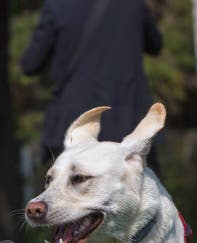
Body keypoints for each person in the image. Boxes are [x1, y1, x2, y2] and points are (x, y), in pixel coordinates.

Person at [22, 0, 163, 171]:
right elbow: (155, 45)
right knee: (139, 194)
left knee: (73, 194)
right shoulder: (133, 4)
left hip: (76, 125)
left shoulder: (57, 6)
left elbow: (30, 64)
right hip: (129, 123)